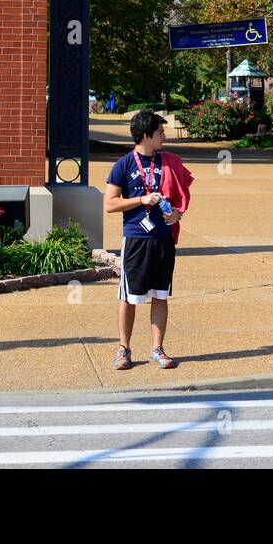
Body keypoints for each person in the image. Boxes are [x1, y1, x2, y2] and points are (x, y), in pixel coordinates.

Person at [103, 109, 194, 371]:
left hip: (162, 239)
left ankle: (157, 349)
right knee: (130, 297)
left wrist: (177, 215)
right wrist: (140, 200)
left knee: (160, 296)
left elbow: (180, 200)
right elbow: (109, 204)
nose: (164, 136)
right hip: (135, 239)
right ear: (146, 136)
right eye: (160, 132)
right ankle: (123, 349)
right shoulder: (124, 164)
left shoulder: (168, 162)